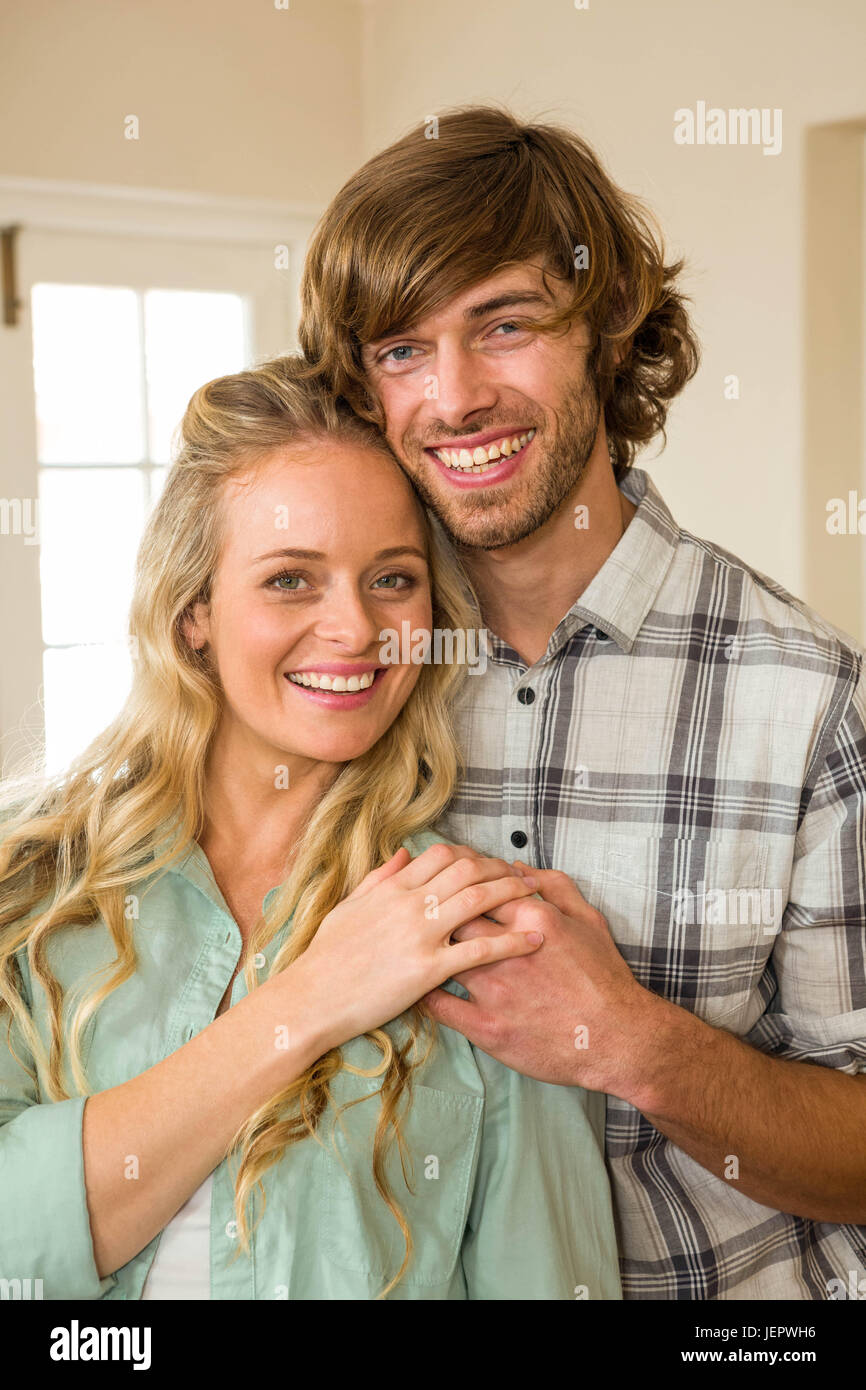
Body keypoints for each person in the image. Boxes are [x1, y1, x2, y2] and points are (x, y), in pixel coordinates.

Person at [298, 104, 866, 1300]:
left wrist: (632, 1042)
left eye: (501, 325)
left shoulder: (808, 699)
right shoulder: (338, 672)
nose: (450, 400)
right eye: (399, 350)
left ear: (607, 321)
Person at [0, 356, 622, 1301]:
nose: (354, 629)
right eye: (292, 580)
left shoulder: (478, 929)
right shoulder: (32, 887)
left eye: (392, 579)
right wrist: (320, 995)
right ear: (194, 612)